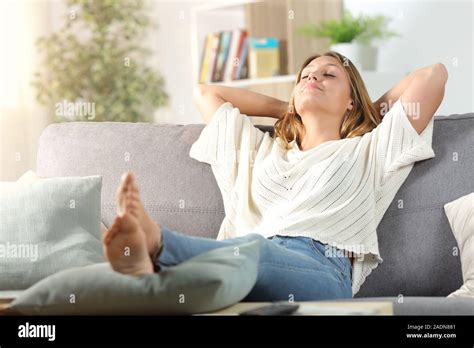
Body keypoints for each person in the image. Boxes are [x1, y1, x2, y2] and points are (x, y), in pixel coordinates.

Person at [103, 51, 448, 301]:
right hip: (246, 256)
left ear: (351, 103)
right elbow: (207, 93)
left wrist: (368, 112)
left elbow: (433, 76)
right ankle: (156, 277)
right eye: (305, 75)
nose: (313, 77)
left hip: (322, 268)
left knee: (253, 251)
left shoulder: (371, 149)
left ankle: (157, 245)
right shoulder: (259, 150)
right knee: (249, 255)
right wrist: (287, 106)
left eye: (329, 75)